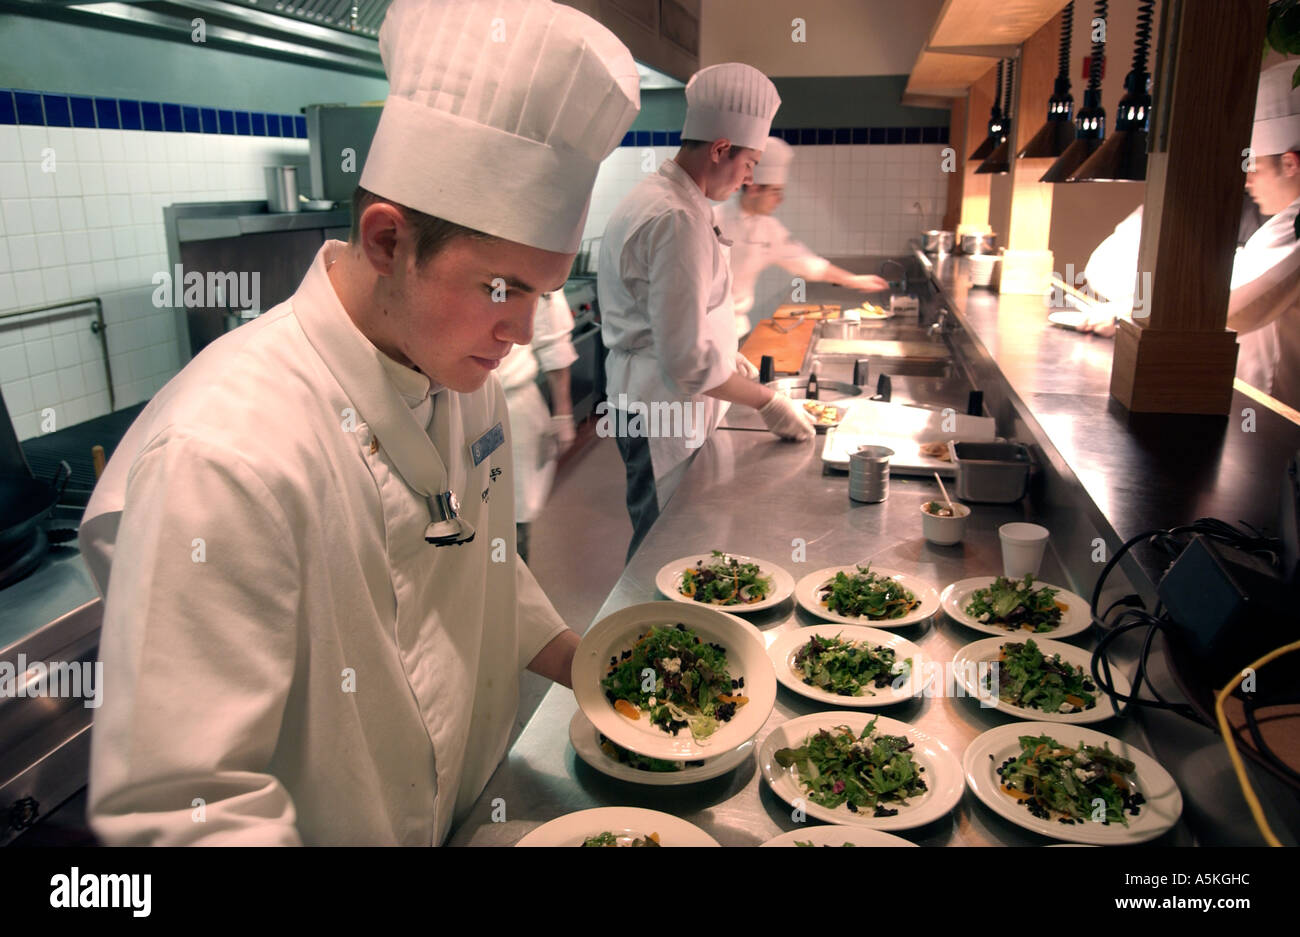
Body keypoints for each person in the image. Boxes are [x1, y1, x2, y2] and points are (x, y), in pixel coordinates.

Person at [77, 0, 640, 845]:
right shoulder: (225, 456)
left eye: (543, 292)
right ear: (387, 240)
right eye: (503, 287)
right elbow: (185, 808)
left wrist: (581, 661)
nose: (522, 331)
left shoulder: (458, 367)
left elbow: (479, 563)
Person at [598, 63, 814, 564]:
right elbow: (688, 363)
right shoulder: (677, 217)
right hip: (660, 411)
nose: (749, 179)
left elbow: (679, 320)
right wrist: (767, 401)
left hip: (657, 401)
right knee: (663, 550)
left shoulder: (672, 199)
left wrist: (724, 355)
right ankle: (644, 637)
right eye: (748, 163)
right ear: (720, 149)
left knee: (680, 539)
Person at [1078, 62, 1299, 411]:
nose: (1245, 180)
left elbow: (1224, 305)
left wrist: (1130, 310)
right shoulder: (1260, 213)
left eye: (1252, 167)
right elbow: (1103, 270)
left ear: (1290, 164)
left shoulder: (1295, 223)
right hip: (1253, 408)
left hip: (1277, 418)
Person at [713, 136, 889, 339]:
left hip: (736, 330)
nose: (780, 199)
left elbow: (808, 263)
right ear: (754, 188)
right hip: (705, 332)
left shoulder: (768, 228)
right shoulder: (713, 221)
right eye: (775, 192)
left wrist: (853, 280)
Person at [499, 290, 578, 562]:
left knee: (511, 517)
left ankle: (511, 596)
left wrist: (563, 412)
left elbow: (552, 341)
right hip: (447, 403)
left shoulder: (536, 265)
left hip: (513, 406)